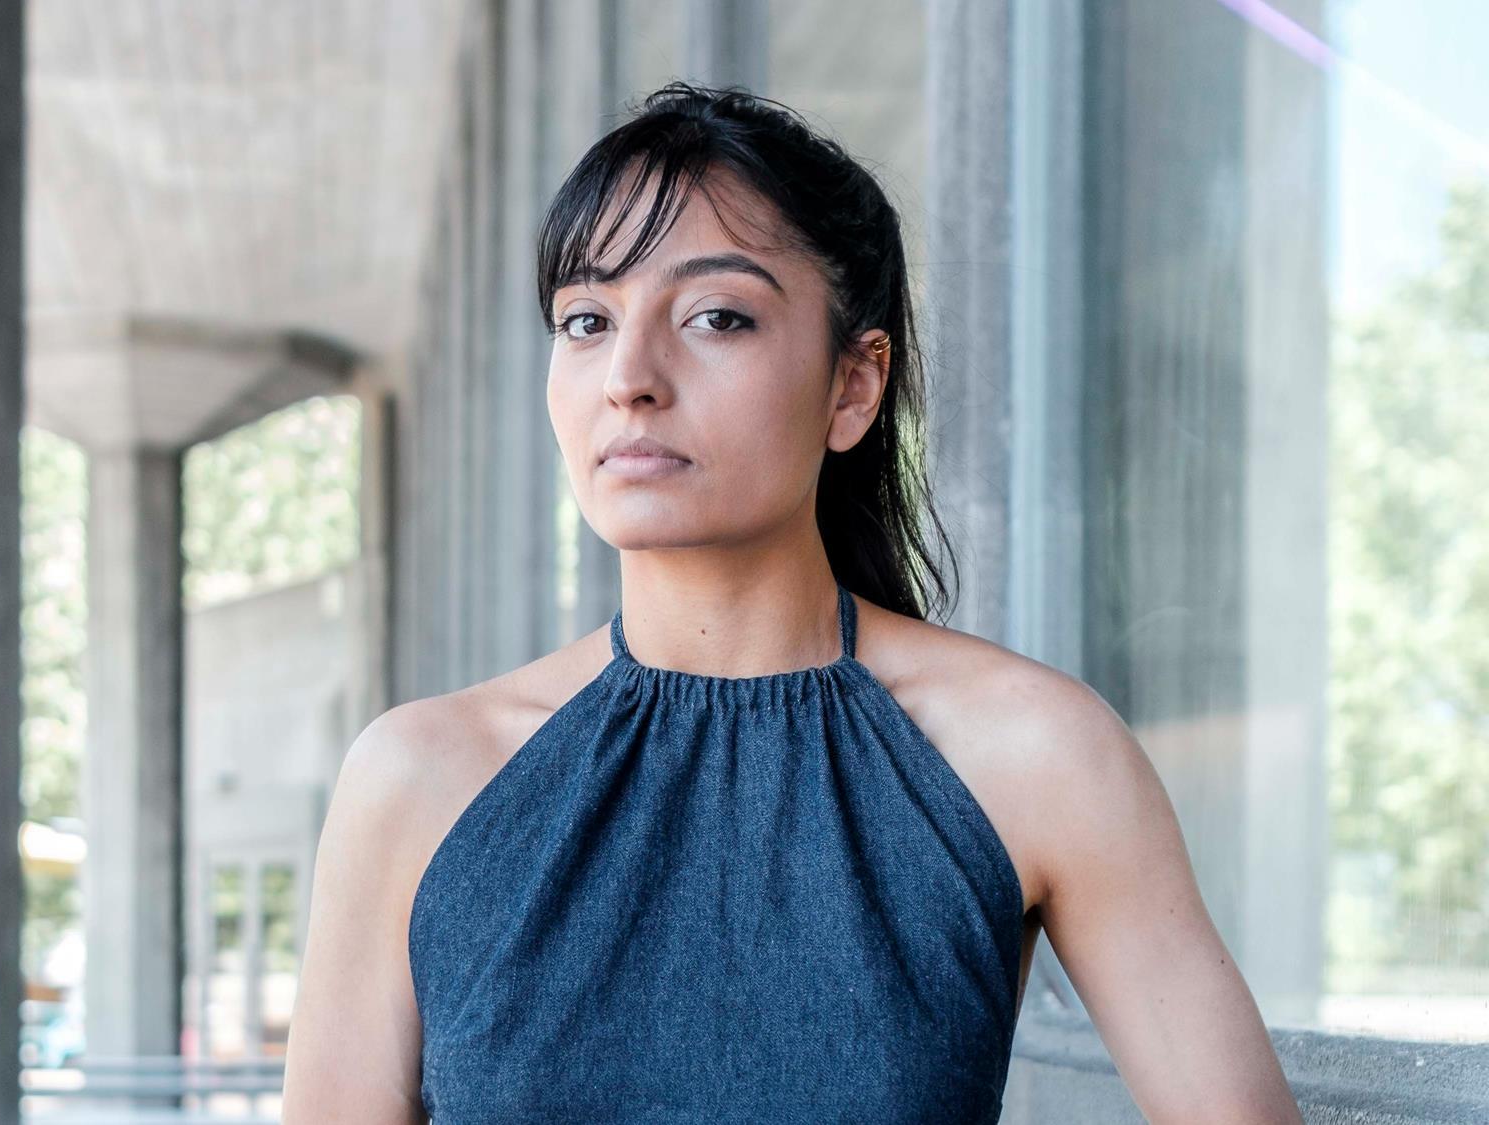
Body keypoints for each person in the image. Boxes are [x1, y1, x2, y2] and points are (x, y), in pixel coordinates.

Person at [279, 82, 1301, 1123]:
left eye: (715, 317)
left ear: (853, 386)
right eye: (586, 320)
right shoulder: (417, 781)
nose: (628, 376)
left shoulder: (1034, 755)